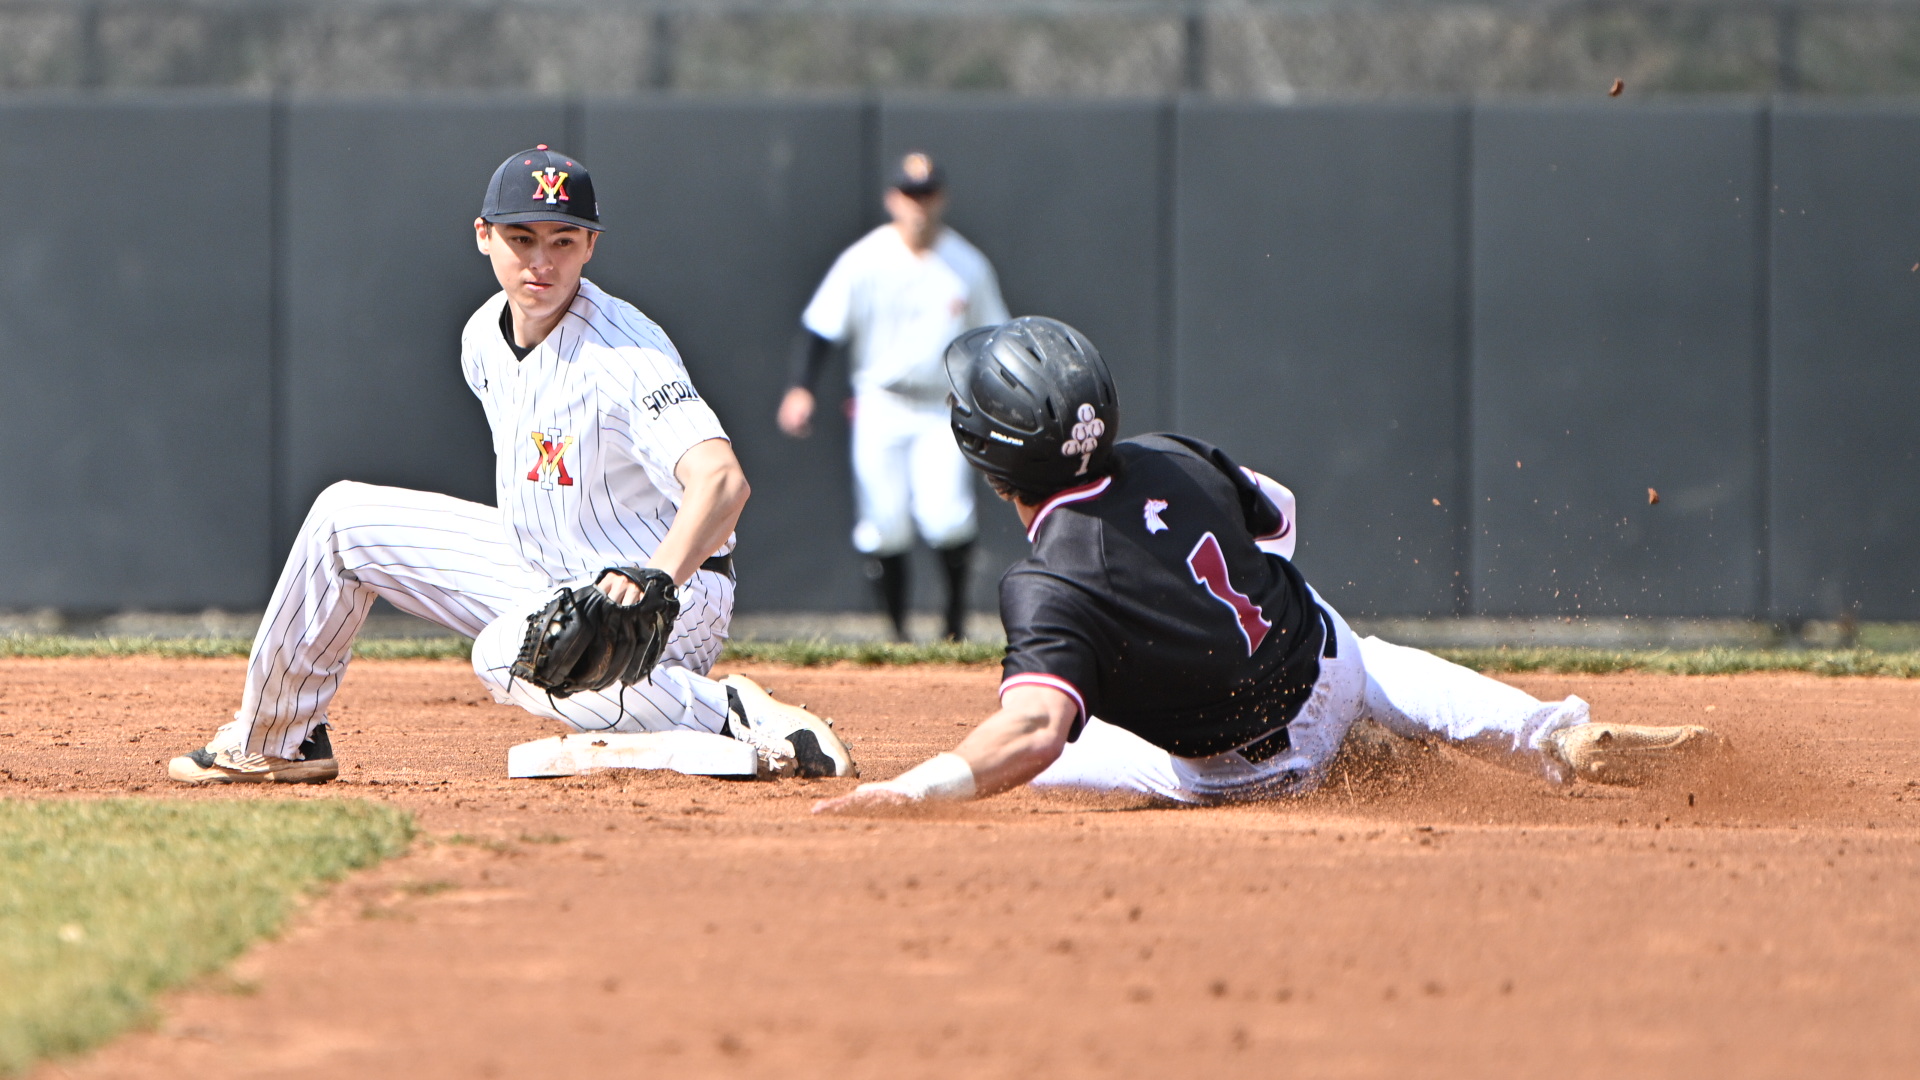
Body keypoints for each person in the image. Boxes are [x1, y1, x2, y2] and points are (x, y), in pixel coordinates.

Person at [814, 317, 1717, 812]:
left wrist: (917, 791)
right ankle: (1548, 734)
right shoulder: (1173, 455)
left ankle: (1354, 760)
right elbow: (1277, 518)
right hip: (1330, 662)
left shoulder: (1049, 581)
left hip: (1249, 772)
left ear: (983, 457)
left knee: (1038, 761)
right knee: (1361, 653)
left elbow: (1036, 730)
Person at [169, 145, 852, 785]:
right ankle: (278, 741)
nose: (541, 262)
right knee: (342, 516)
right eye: (521, 238)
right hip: (551, 564)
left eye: (563, 241)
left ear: (591, 245)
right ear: (483, 236)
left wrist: (654, 581)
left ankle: (733, 713)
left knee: (504, 654)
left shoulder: (625, 358)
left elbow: (723, 480)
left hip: (670, 591)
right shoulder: (480, 337)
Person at [778, 151, 1009, 642]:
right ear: (892, 198)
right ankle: (898, 635)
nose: (918, 204)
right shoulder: (865, 259)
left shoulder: (965, 264)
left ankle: (952, 628)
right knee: (884, 524)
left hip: (942, 404)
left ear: (941, 198)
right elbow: (821, 328)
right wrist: (801, 388)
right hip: (880, 402)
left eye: (927, 194)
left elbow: (995, 337)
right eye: (909, 193)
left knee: (947, 517)